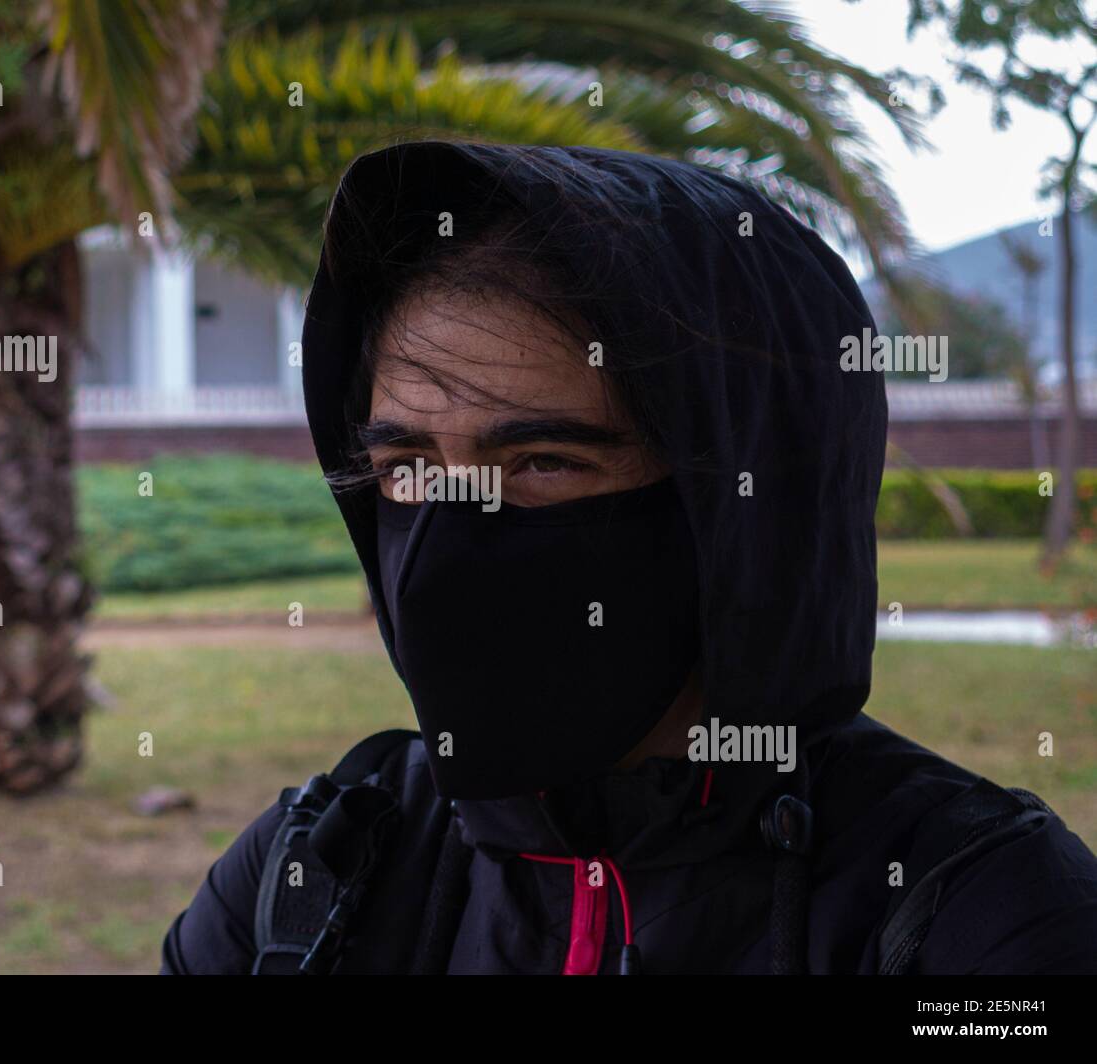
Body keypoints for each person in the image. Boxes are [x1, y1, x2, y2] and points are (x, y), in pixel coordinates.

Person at [160, 140, 1097, 975]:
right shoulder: (316, 869)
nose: (451, 535)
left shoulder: (975, 911)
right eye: (408, 468)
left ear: (746, 499)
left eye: (542, 462)